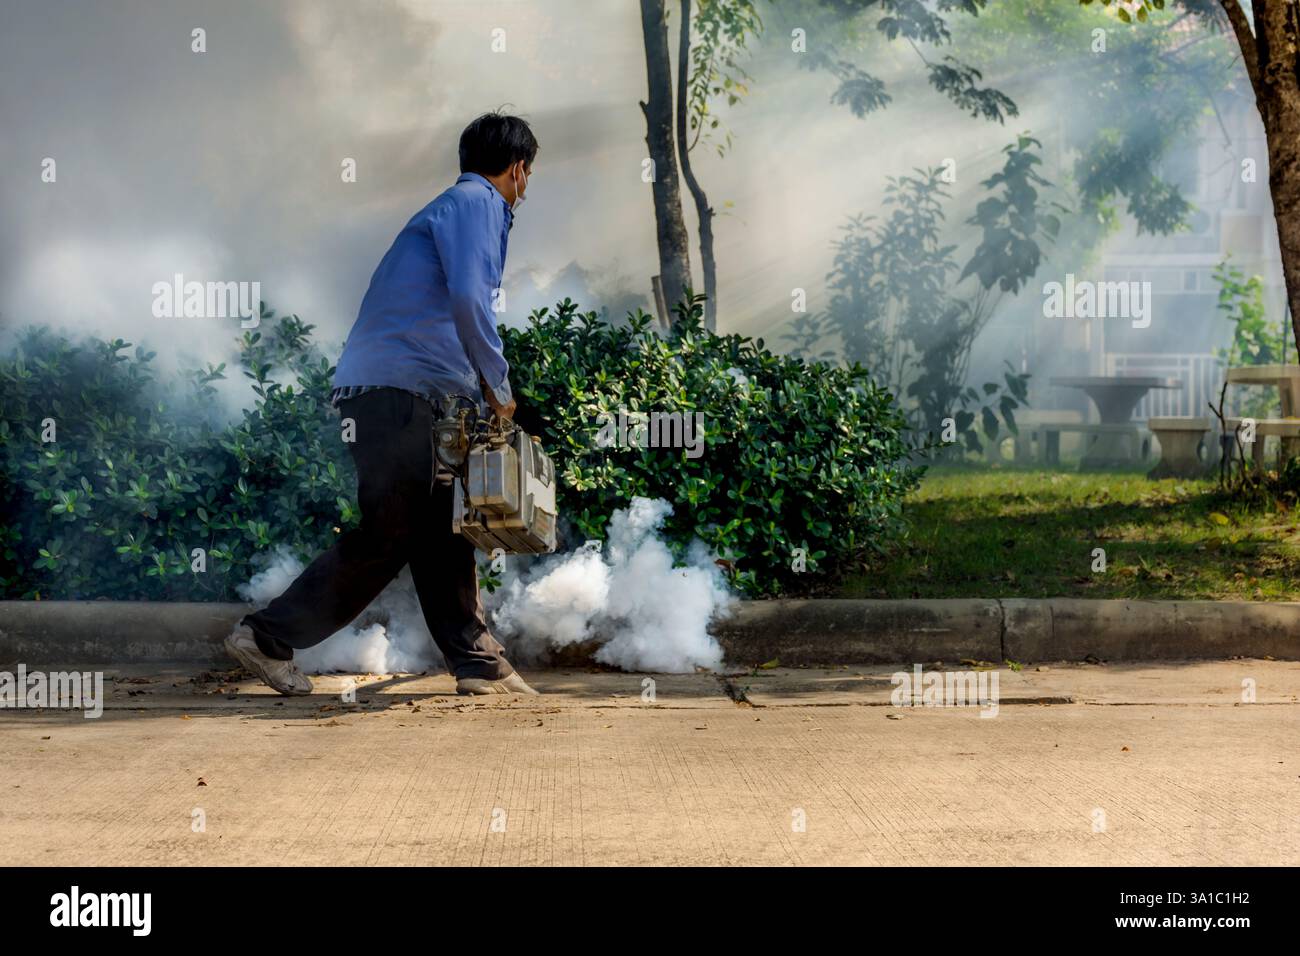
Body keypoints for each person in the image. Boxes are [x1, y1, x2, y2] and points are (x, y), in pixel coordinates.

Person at [225, 112, 540, 697]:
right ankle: (266, 637)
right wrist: (499, 388)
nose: (526, 187)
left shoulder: (451, 206)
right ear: (518, 169)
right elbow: (473, 300)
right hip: (399, 394)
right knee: (390, 533)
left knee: (441, 529)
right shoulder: (479, 204)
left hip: (403, 392)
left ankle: (479, 666)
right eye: (528, 175)